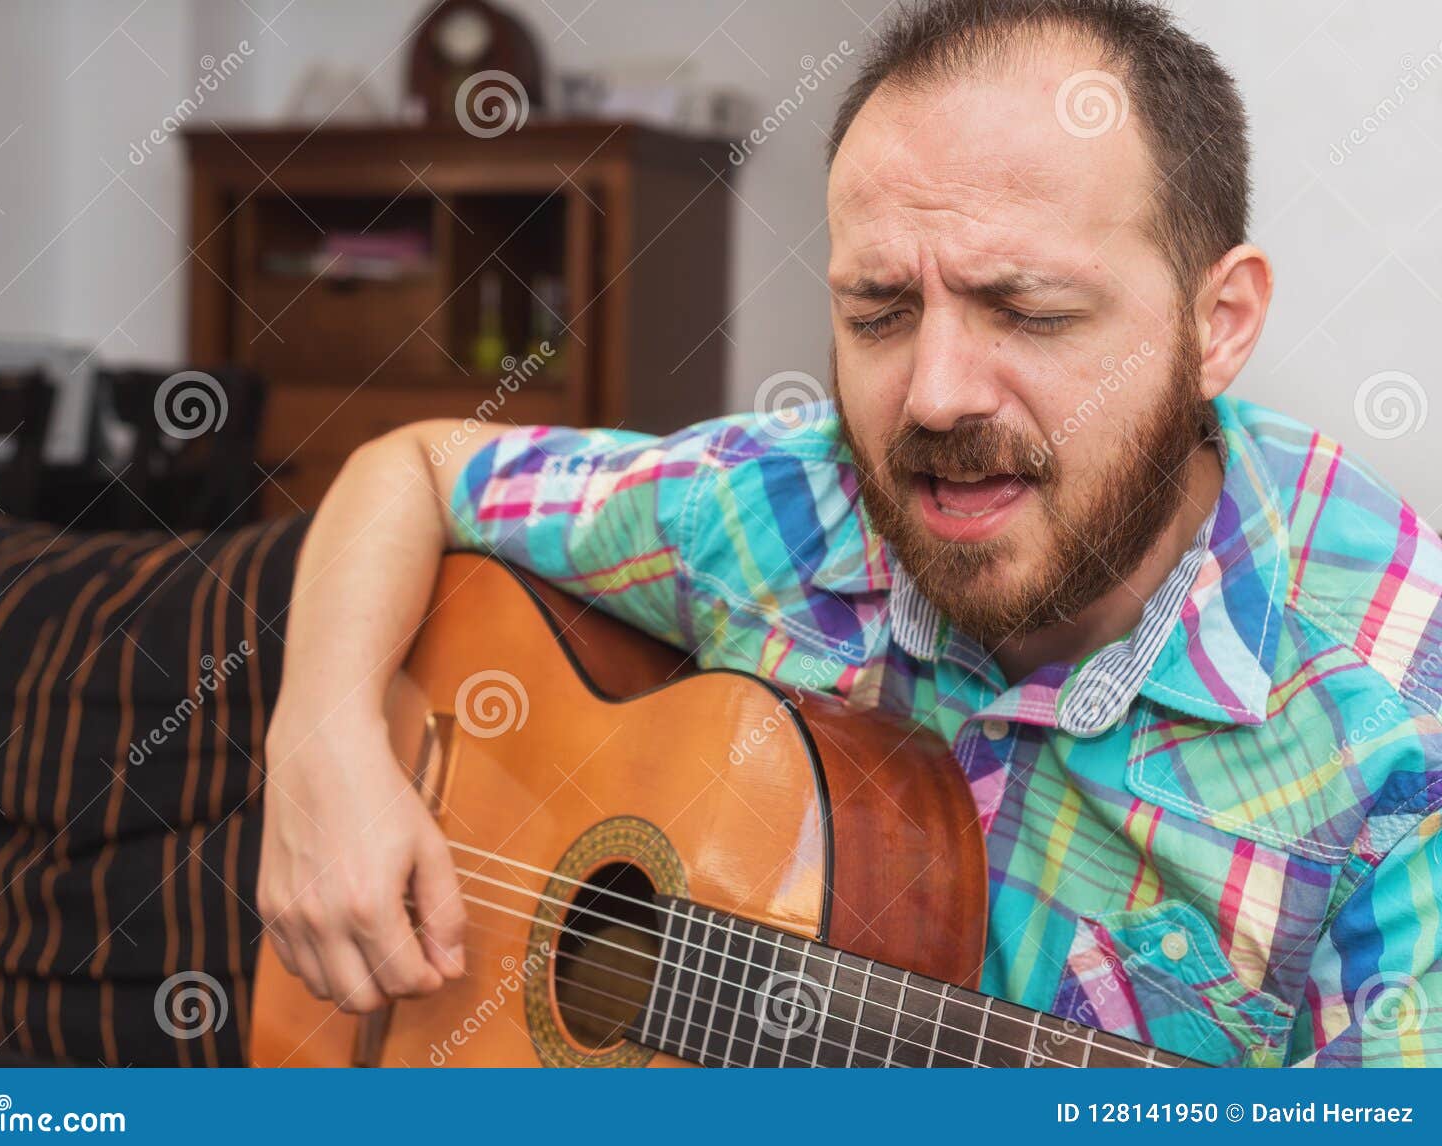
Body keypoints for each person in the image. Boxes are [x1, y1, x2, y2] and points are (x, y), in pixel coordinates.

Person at [260, 0, 1442, 1066]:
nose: (932, 397)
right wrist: (321, 753)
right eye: (878, 313)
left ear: (1216, 324)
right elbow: (410, 468)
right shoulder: (777, 510)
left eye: (1026, 310)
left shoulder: (1397, 732)